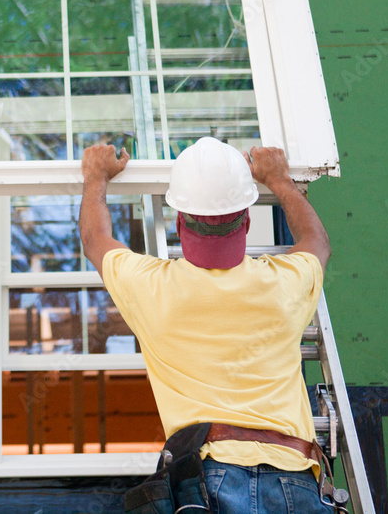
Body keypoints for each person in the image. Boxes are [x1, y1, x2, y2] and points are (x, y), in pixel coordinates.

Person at [79, 137, 334, 513]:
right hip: (294, 476)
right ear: (246, 221)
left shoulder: (152, 287)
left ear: (179, 221)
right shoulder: (284, 283)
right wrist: (279, 180)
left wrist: (96, 178)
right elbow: (317, 242)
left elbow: (95, 238)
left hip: (206, 479)